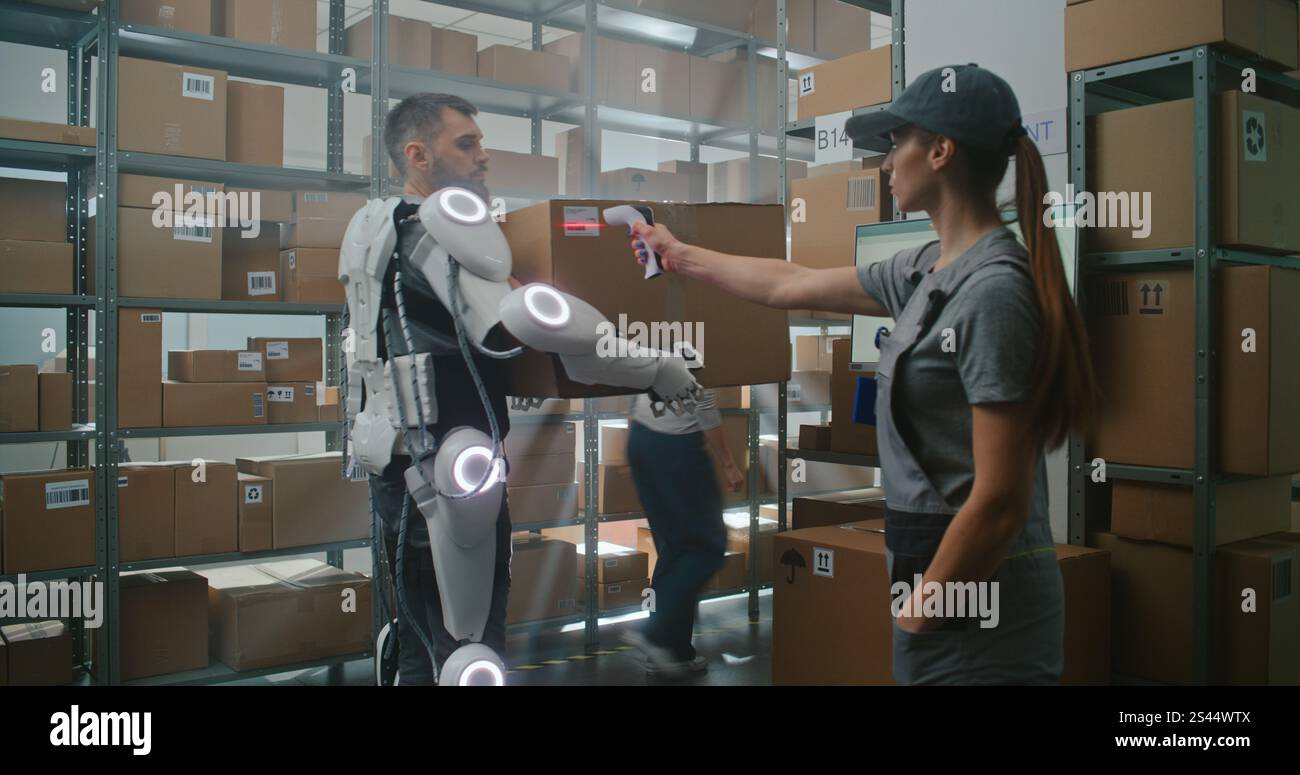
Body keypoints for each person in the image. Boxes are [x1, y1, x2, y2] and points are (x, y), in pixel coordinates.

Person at [623, 65, 1099, 684]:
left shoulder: (992, 293)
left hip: (981, 602)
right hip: (941, 578)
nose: (884, 163)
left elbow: (1001, 502)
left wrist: (919, 615)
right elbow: (789, 282)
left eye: (895, 143)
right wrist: (677, 252)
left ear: (940, 151)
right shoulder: (927, 268)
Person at [366, 93, 514, 685]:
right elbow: (512, 329)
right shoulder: (437, 236)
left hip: (397, 455)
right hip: (453, 466)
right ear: (418, 155)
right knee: (468, 639)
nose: (484, 157)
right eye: (467, 143)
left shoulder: (375, 231)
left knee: (419, 636)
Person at [621, 389, 744, 677]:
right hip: (676, 446)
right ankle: (657, 634)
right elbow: (704, 401)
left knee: (675, 549)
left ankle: (672, 652)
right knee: (707, 548)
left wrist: (635, 445)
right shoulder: (701, 344)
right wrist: (728, 462)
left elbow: (635, 391)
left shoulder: (650, 341)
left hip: (642, 439)